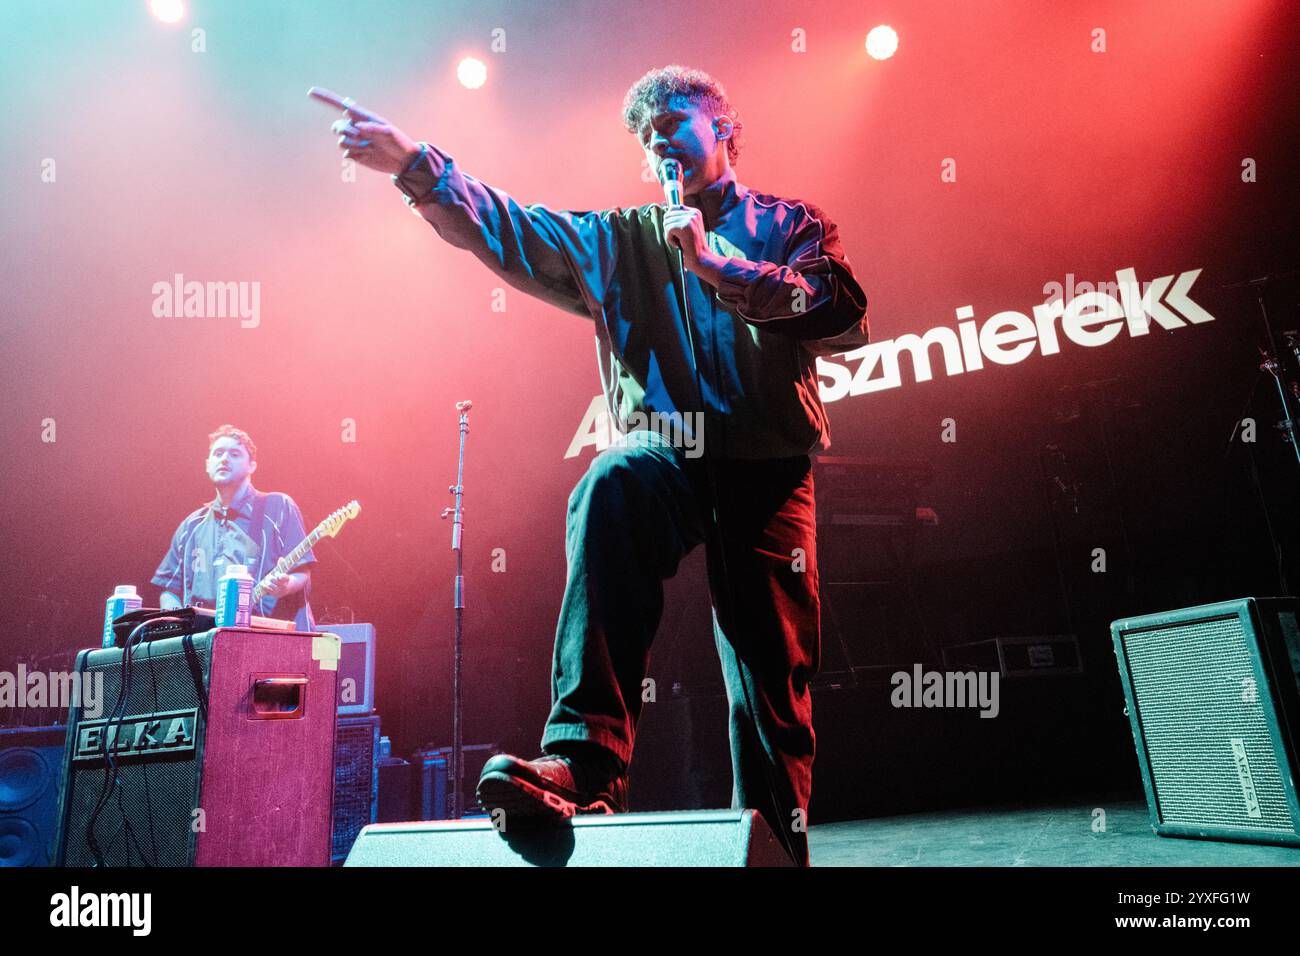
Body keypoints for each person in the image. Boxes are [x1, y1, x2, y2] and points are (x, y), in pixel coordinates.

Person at [313, 64, 868, 866]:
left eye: (674, 121)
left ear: (725, 131)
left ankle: (777, 849)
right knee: (609, 484)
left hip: (764, 466)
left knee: (770, 688)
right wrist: (412, 165)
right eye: (646, 136)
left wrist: (719, 269)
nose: (658, 142)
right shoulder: (617, 241)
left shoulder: (790, 223)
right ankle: (585, 767)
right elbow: (508, 227)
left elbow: (842, 312)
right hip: (666, 458)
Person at [152, 425, 317, 631]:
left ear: (252, 466)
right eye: (218, 453)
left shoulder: (277, 506)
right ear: (207, 465)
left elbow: (302, 572)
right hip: (208, 644)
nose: (224, 459)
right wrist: (176, 629)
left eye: (235, 454)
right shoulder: (191, 526)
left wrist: (285, 585)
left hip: (275, 639)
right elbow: (169, 589)